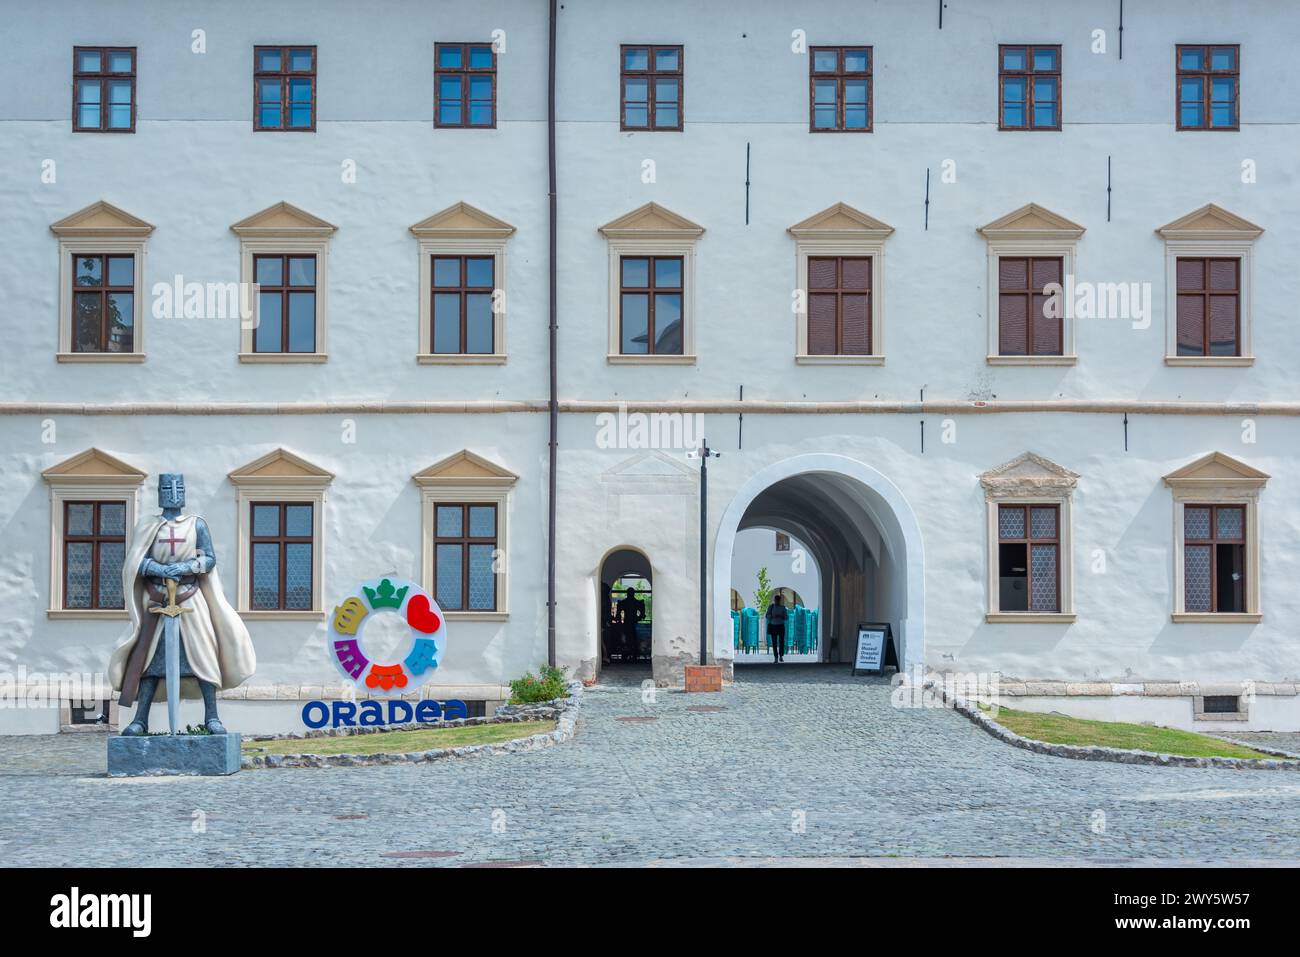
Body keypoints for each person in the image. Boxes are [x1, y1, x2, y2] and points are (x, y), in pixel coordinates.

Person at [617, 586, 646, 661]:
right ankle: (633, 654)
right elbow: (642, 612)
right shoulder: (636, 602)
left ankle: (626, 654)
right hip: (633, 622)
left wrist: (619, 620)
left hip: (628, 622)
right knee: (632, 638)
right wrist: (639, 618)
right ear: (634, 594)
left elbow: (618, 612)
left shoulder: (625, 602)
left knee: (626, 639)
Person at [766, 594, 788, 663]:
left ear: (780, 601)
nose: (777, 602)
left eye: (778, 601)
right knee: (774, 642)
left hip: (781, 625)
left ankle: (781, 656)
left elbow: (786, 617)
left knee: (781, 642)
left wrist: (781, 616)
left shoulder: (783, 608)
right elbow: (767, 615)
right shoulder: (771, 607)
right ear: (774, 600)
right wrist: (772, 616)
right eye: (776, 600)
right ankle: (776, 657)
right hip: (773, 625)